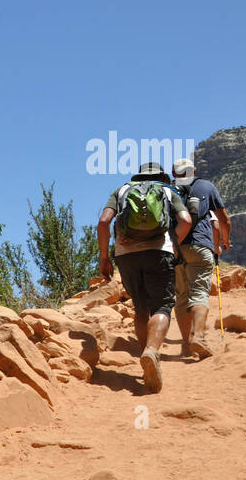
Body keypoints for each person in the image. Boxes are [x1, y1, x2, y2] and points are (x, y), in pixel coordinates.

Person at [97, 161, 193, 393]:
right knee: (162, 306)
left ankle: (145, 358)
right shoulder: (168, 190)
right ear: (161, 176)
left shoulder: (121, 190)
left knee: (140, 307)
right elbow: (186, 221)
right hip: (159, 253)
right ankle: (152, 351)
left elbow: (103, 222)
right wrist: (173, 244)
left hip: (125, 255)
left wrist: (104, 257)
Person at [171, 158, 231, 359]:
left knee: (181, 297)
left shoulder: (169, 188)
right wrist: (223, 242)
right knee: (199, 294)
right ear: (194, 170)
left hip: (175, 248)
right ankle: (198, 336)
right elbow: (222, 221)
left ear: (174, 173)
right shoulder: (206, 186)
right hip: (201, 245)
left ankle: (186, 345)